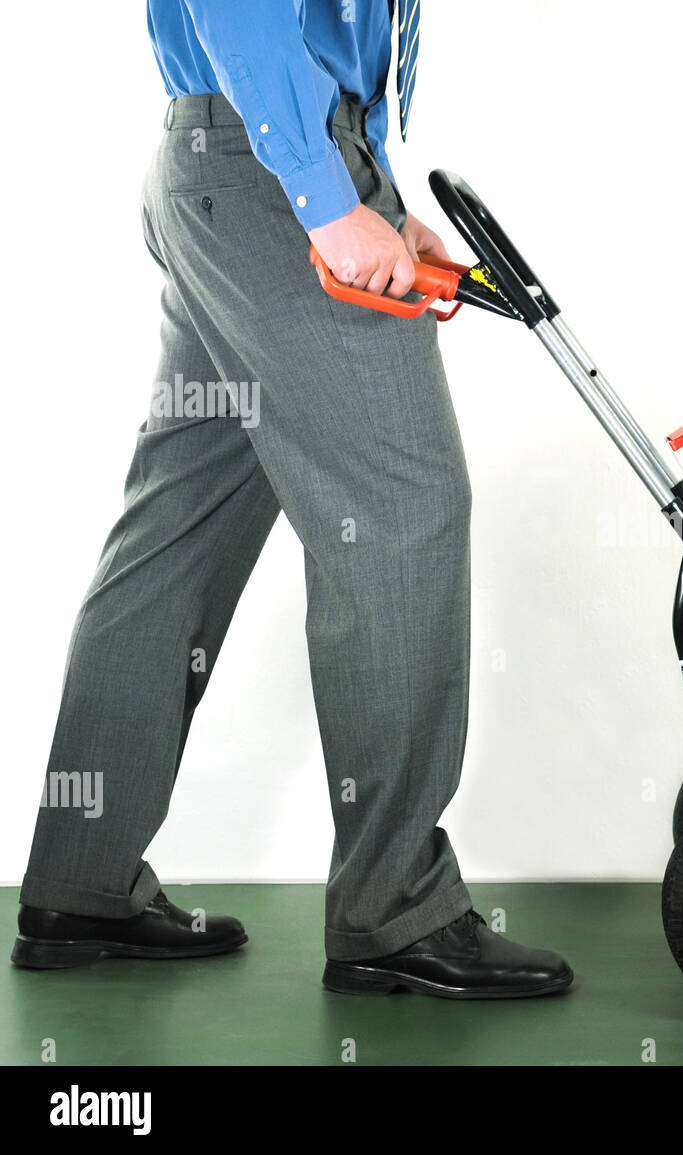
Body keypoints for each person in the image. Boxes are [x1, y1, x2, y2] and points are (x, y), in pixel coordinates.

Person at [11, 0, 573, 1001]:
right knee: (404, 512)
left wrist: (372, 190)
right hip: (268, 170)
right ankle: (394, 910)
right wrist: (321, 193)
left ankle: (81, 879)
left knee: (179, 529)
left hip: (227, 161)